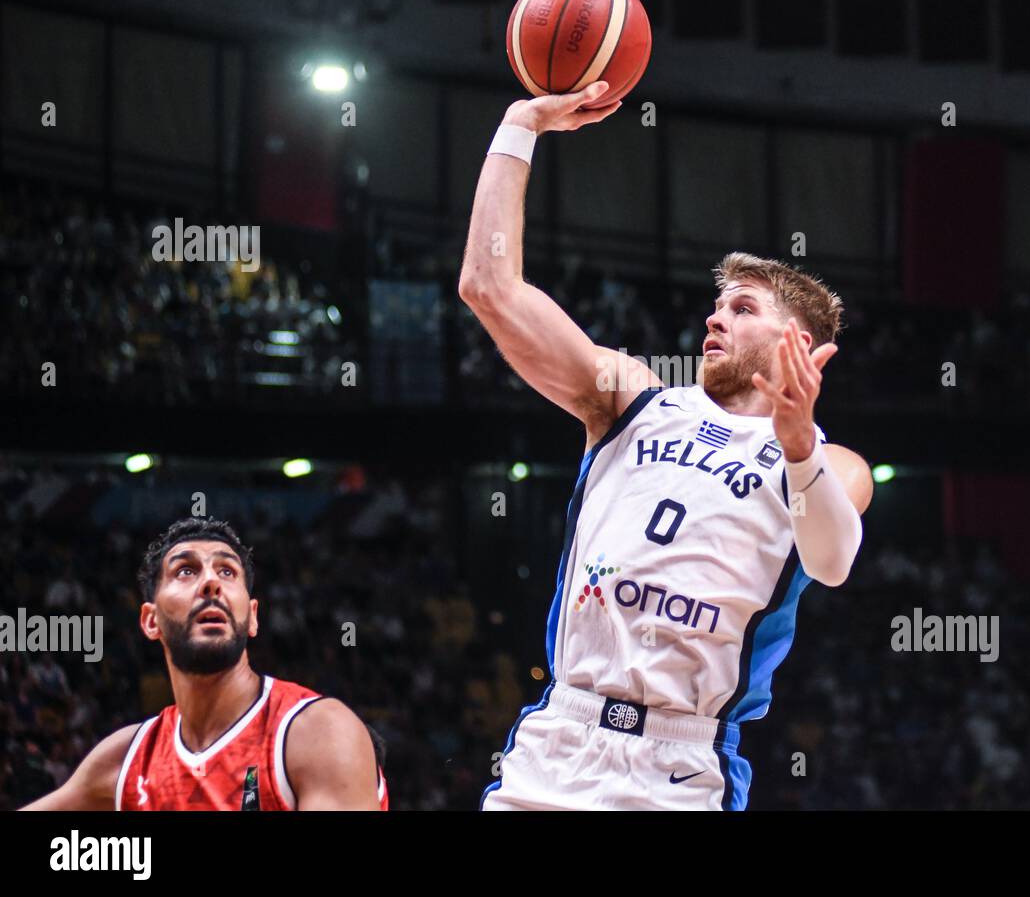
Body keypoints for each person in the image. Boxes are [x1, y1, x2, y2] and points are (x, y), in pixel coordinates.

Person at [460, 81, 873, 810]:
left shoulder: (828, 463)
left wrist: (799, 443)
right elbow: (490, 286)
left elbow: (833, 562)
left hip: (681, 766)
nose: (714, 321)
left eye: (741, 309)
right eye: (716, 306)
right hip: (559, 740)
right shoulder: (633, 399)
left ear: (796, 344)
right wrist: (520, 125)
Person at [22, 518, 388, 811]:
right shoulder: (125, 760)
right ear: (151, 621)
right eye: (185, 571)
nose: (211, 582)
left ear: (253, 616)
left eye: (228, 572)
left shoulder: (317, 732)